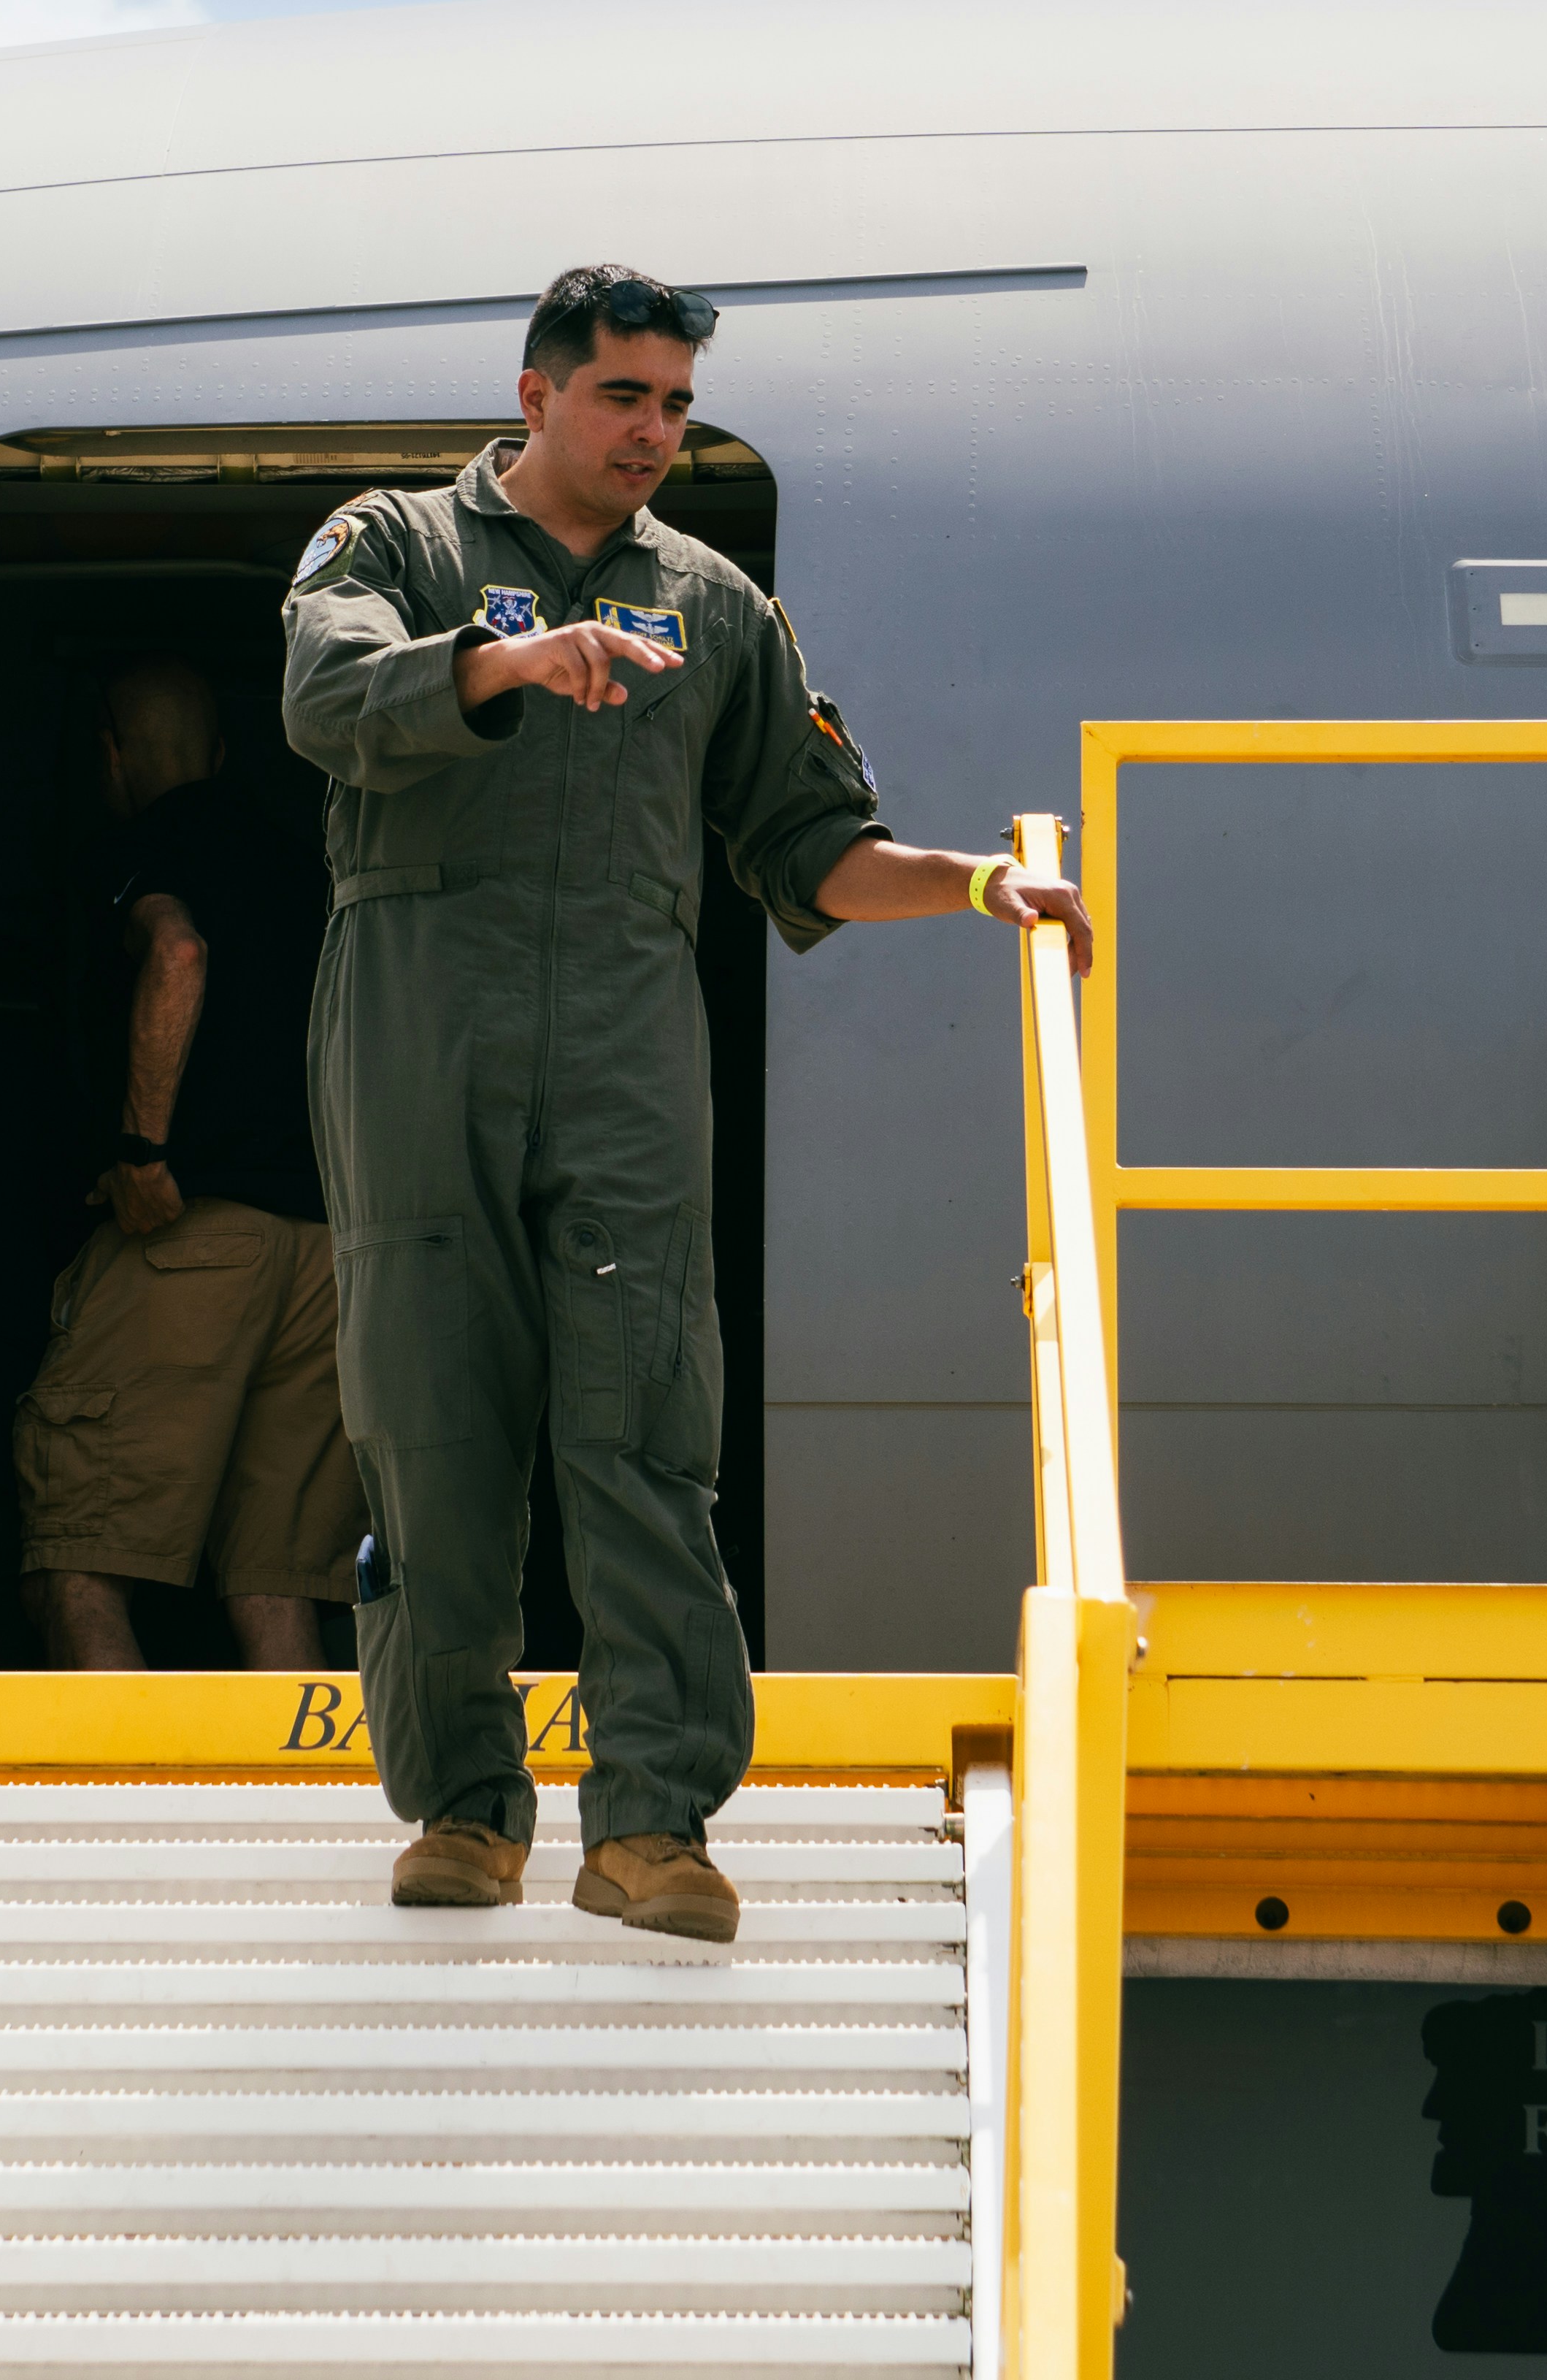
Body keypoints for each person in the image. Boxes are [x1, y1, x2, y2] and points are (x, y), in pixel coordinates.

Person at [282, 264, 1096, 1943]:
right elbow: (321, 697)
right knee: (430, 1427)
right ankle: (462, 1805)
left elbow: (801, 837)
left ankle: (651, 1826)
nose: (653, 431)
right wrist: (506, 665)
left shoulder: (712, 607)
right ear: (534, 396)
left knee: (644, 1429)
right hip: (416, 1035)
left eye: (673, 405)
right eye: (621, 397)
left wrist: (967, 891)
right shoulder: (394, 547)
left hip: (628, 1058)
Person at [9, 656, 354, 1671]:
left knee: (79, 1558)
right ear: (218, 750)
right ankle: (300, 1820)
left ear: (110, 756)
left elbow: (177, 954)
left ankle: (119, 1812)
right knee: (278, 1575)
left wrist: (141, 1149)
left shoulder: (142, 847)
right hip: (331, 1255)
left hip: (189, 1236)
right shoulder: (314, 870)